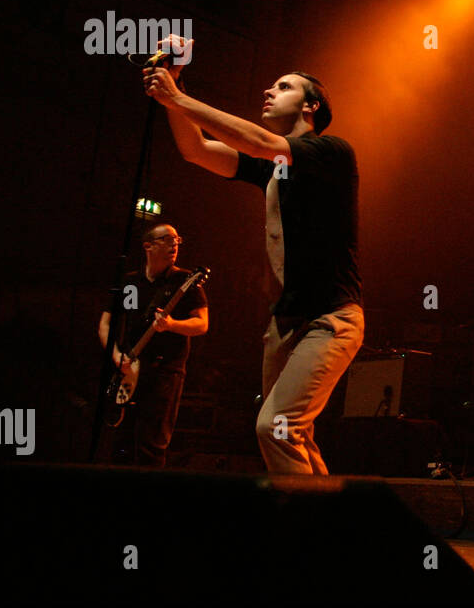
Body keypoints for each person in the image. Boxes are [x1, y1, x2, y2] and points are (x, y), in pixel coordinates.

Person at [144, 36, 364, 474]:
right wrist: (174, 85)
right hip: (285, 324)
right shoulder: (272, 166)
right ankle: (339, 527)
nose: (268, 91)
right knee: (293, 434)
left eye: (284, 87)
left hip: (331, 318)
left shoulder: (331, 151)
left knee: (275, 427)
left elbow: (262, 143)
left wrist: (178, 96)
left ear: (311, 106)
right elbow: (196, 150)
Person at [98, 224, 208, 467]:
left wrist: (171, 325)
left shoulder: (185, 280)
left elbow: (202, 324)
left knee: (152, 444)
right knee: (120, 443)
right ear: (148, 246)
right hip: (129, 369)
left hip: (165, 372)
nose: (174, 244)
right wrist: (116, 355)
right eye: (167, 239)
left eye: (177, 239)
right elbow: (106, 323)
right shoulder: (130, 283)